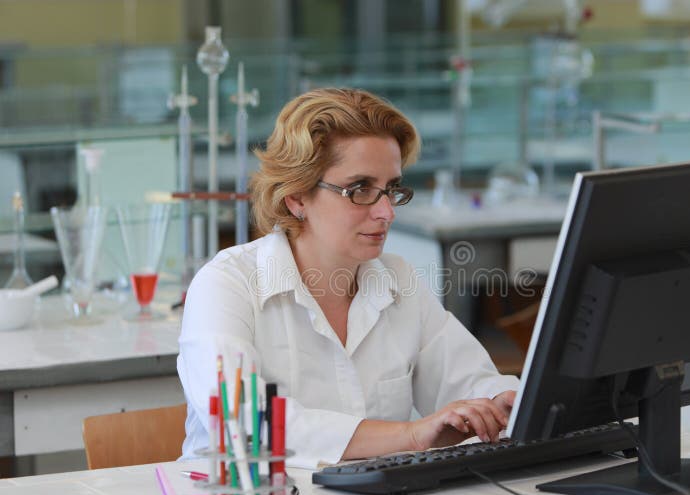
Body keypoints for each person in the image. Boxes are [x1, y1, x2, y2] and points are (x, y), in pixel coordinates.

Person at [177, 88, 519, 469]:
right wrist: (410, 435)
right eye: (360, 190)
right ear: (296, 197)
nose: (386, 212)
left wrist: (506, 400)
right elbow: (245, 422)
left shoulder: (398, 279)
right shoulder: (227, 284)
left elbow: (469, 381)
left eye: (390, 189)